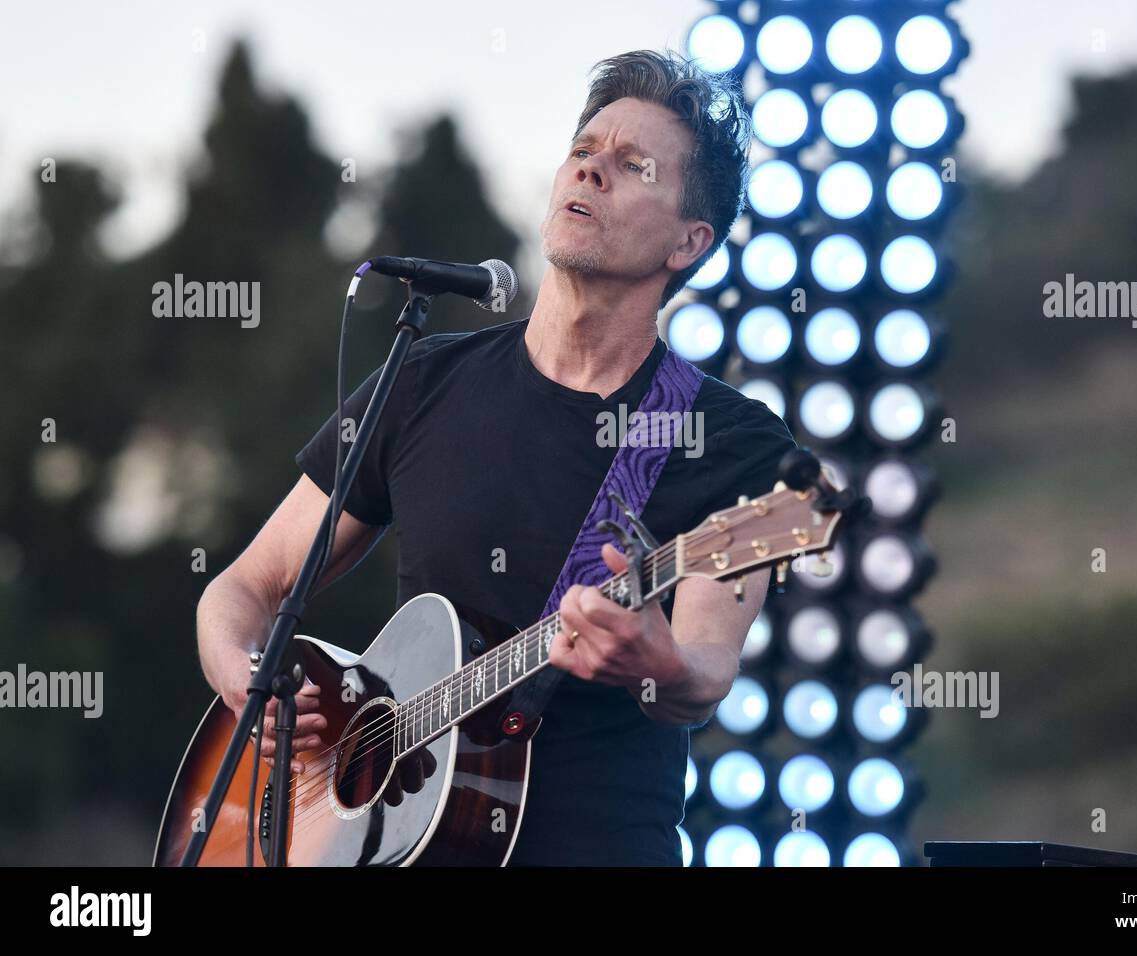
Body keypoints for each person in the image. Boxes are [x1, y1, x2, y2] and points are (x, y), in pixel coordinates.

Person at [195, 49, 796, 866]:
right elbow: (244, 588)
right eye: (583, 151)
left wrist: (656, 664)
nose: (590, 171)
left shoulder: (729, 441)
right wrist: (243, 677)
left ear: (688, 242)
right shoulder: (419, 380)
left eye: (632, 166)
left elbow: (703, 674)